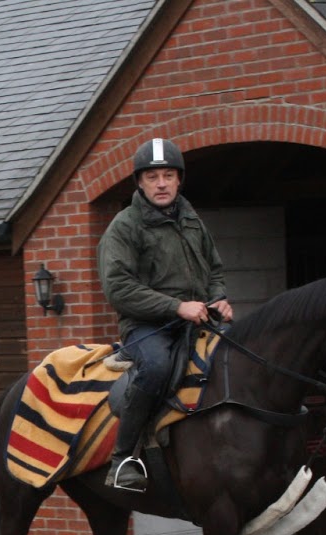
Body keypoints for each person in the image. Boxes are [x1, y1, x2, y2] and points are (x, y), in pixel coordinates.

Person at [96, 138, 234, 492]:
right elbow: (119, 289)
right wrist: (175, 307)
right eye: (153, 176)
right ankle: (124, 458)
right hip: (145, 328)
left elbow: (213, 269)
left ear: (178, 180)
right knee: (156, 367)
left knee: (239, 354)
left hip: (196, 320)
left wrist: (218, 298)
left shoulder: (191, 220)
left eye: (168, 175)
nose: (161, 183)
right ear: (139, 182)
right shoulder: (124, 227)